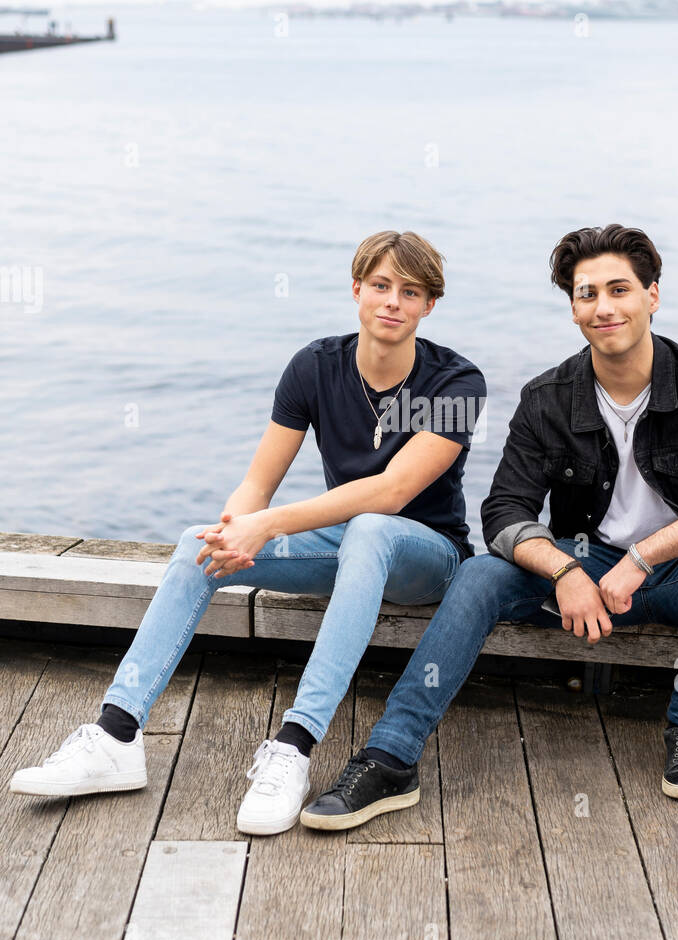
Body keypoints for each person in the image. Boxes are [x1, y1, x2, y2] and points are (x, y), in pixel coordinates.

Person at [301, 222, 678, 828]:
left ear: (651, 296)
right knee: (479, 574)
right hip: (588, 573)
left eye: (619, 290)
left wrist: (643, 559)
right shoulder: (547, 399)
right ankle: (391, 758)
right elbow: (504, 510)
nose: (604, 307)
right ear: (574, 309)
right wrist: (564, 569)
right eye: (588, 294)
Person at [10, 231, 487, 836]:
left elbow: (391, 493)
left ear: (428, 306)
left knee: (370, 527)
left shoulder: (454, 382)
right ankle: (115, 735)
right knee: (194, 544)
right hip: (346, 549)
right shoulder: (316, 367)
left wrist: (269, 524)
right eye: (381, 285)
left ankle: (294, 747)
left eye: (410, 291)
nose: (393, 301)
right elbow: (257, 485)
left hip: (428, 560)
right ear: (357, 290)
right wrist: (235, 530)